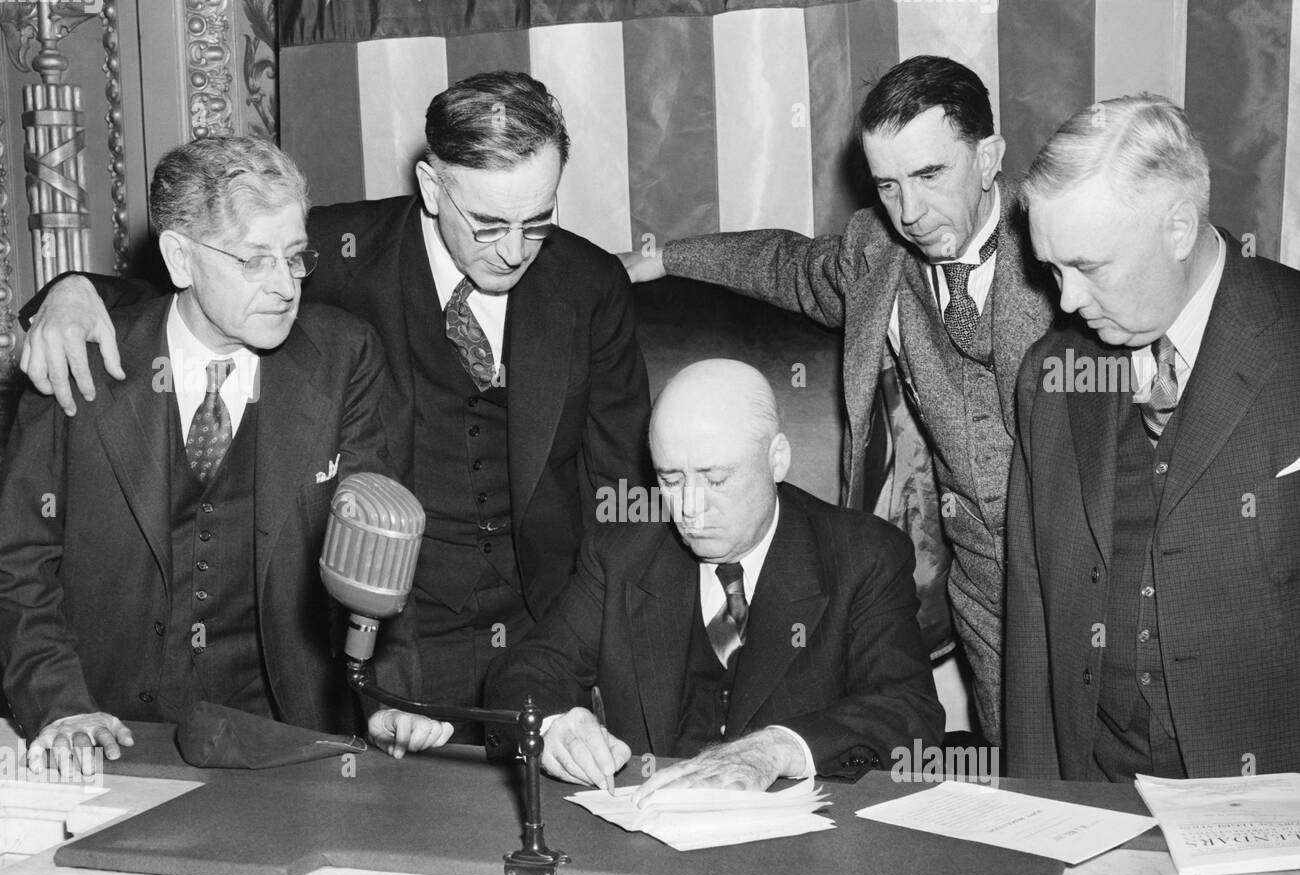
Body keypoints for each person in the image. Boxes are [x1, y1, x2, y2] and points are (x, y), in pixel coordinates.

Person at [16, 71, 651, 737]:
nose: (516, 250)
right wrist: (65, 292)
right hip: (382, 635)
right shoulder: (329, 255)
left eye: (539, 219)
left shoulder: (589, 285)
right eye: (489, 223)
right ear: (433, 188)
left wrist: (583, 652)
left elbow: (620, 488)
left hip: (535, 635)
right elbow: (188, 290)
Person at [623, 56, 1057, 748]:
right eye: (888, 186)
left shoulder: (1063, 250)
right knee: (1031, 790)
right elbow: (787, 265)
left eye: (929, 175)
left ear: (989, 158)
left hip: (1084, 568)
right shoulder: (877, 254)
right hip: (982, 592)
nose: (909, 212)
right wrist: (663, 259)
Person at [0, 136, 447, 773]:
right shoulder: (81, 356)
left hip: (282, 735)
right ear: (180, 259)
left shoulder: (344, 358)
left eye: (295, 258)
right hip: (108, 730)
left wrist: (386, 698)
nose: (284, 287)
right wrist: (60, 705)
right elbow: (19, 560)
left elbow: (378, 538)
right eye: (253, 260)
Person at [479, 359, 943, 794]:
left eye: (716, 479)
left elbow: (908, 711)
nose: (689, 507)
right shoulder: (621, 553)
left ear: (777, 458)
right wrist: (555, 723)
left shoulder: (863, 555)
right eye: (671, 480)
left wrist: (779, 748)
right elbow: (524, 670)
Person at [1007, 94, 1300, 780]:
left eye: (1089, 267)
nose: (1068, 300)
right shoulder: (1051, 374)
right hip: (1102, 791)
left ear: (1176, 228)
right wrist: (1035, 805)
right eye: (1053, 269)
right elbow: (1031, 605)